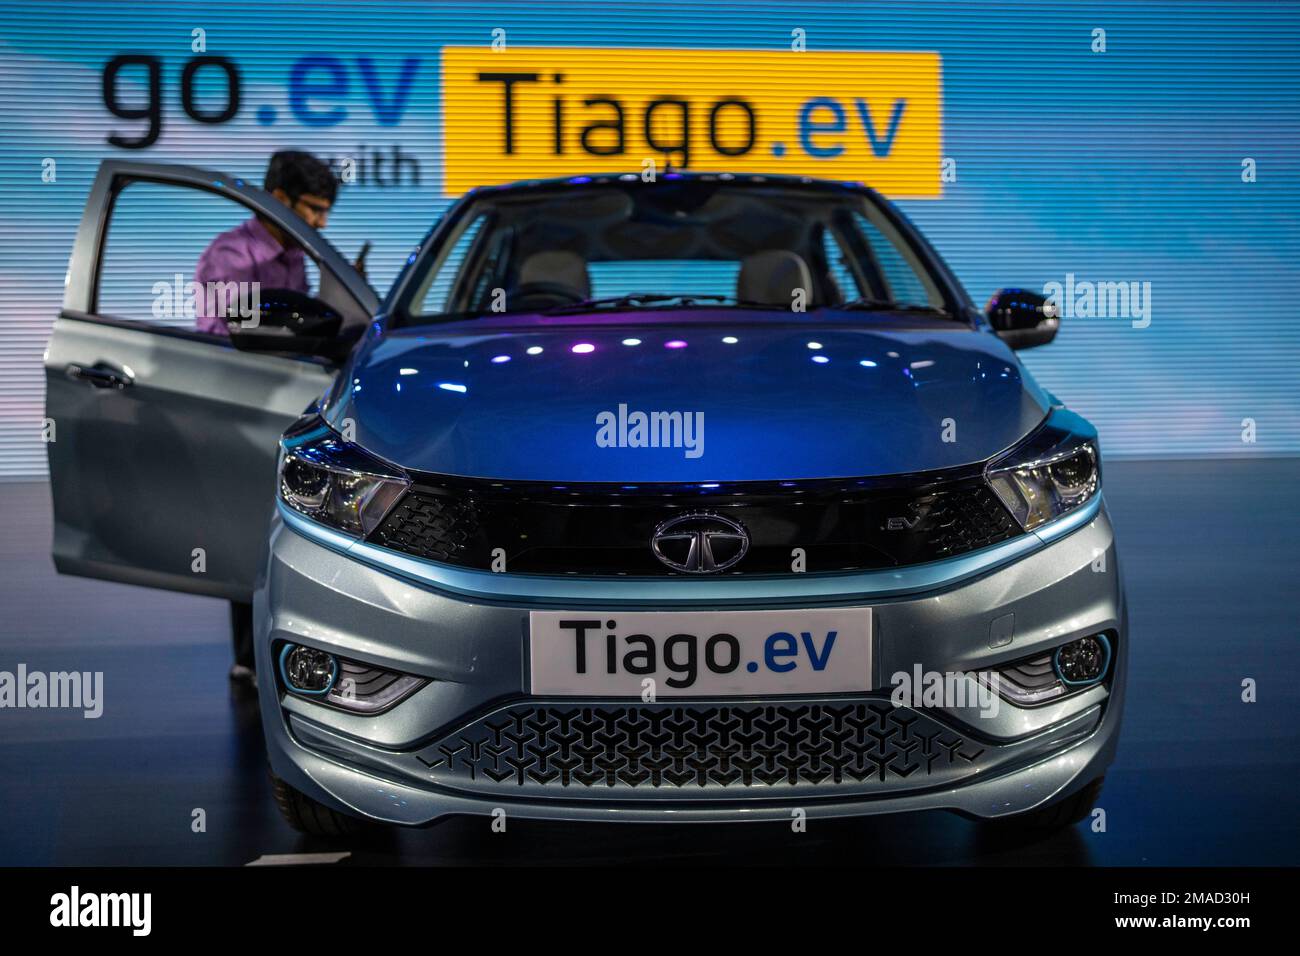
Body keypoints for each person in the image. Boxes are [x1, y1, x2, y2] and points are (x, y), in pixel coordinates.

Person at [193, 150, 360, 684]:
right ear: (278, 200)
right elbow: (224, 335)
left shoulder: (295, 256)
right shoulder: (231, 254)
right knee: (245, 528)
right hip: (238, 405)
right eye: (312, 208)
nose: (321, 222)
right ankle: (249, 658)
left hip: (287, 403)